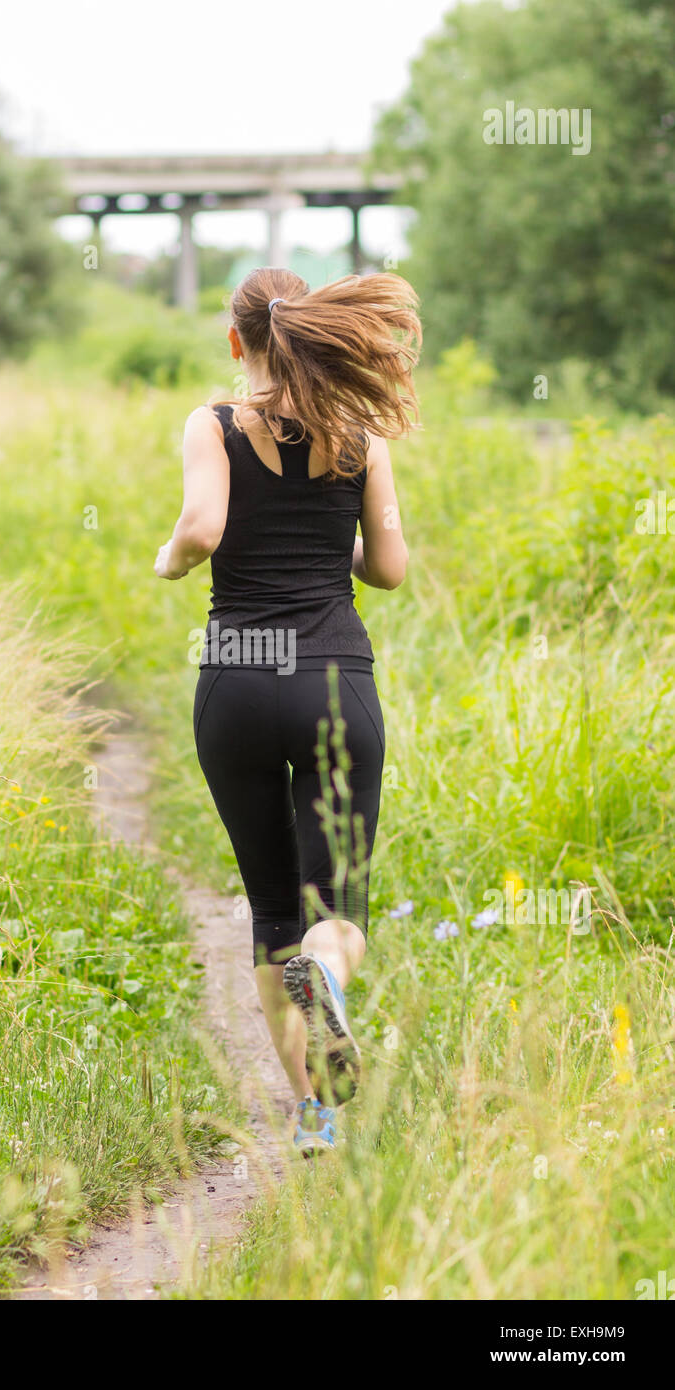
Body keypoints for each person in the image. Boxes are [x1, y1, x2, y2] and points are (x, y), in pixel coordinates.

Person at [154, 267, 420, 1153]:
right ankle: (328, 972)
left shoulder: (213, 423)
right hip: (333, 684)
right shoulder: (363, 438)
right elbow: (388, 569)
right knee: (333, 907)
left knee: (270, 910)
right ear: (313, 332)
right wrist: (328, 541)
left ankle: (314, 1114)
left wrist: (168, 561)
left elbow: (200, 529)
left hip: (234, 679)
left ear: (240, 342)